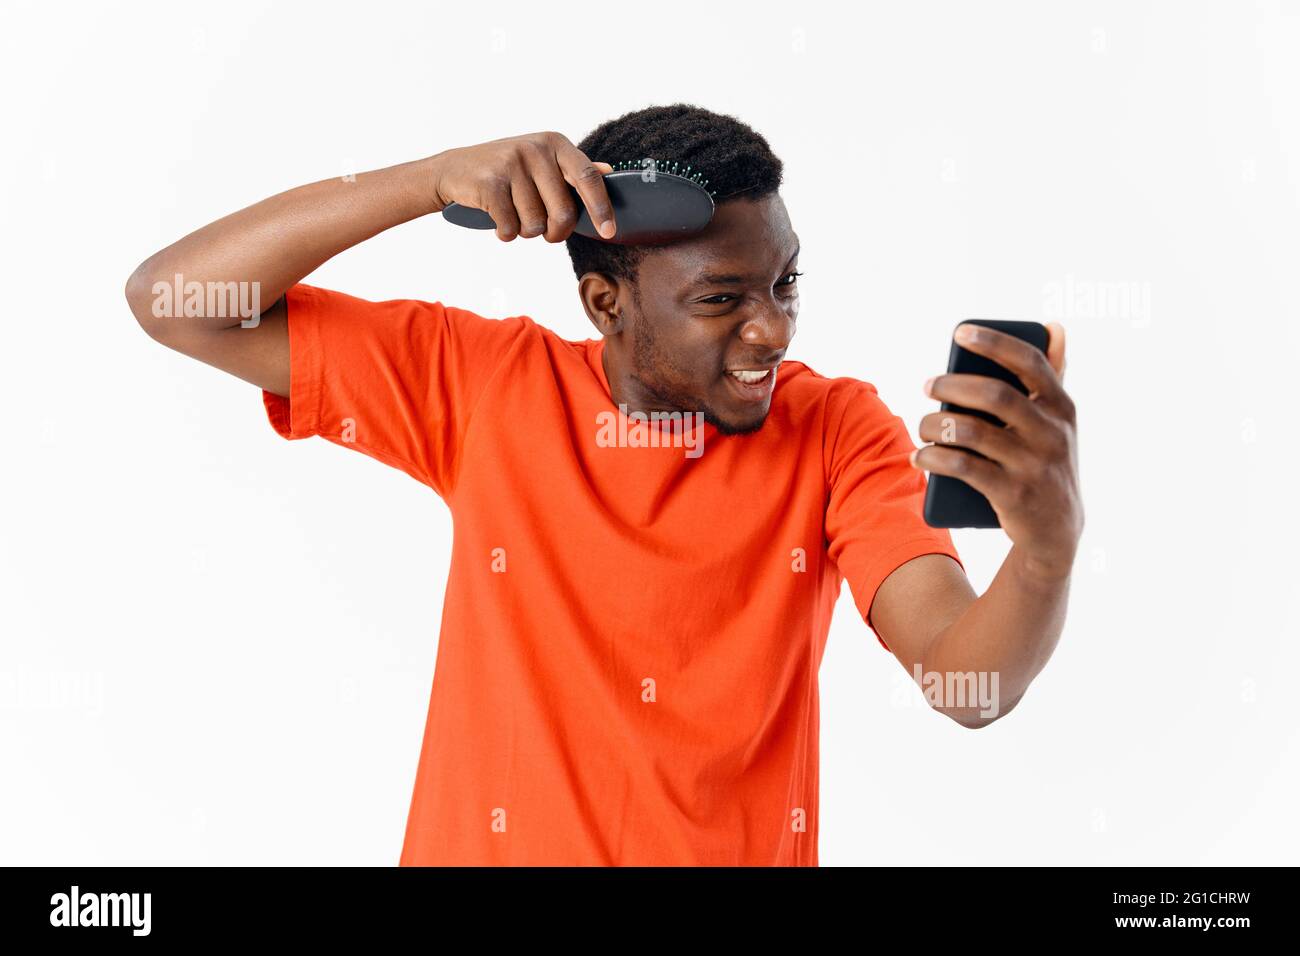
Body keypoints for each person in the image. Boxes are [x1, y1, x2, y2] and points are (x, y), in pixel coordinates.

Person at [124, 103, 1083, 866]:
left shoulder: (835, 429)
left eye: (785, 284)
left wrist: (1045, 551)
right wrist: (428, 181)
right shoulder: (484, 384)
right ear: (605, 302)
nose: (774, 331)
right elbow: (175, 301)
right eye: (723, 299)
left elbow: (968, 684)